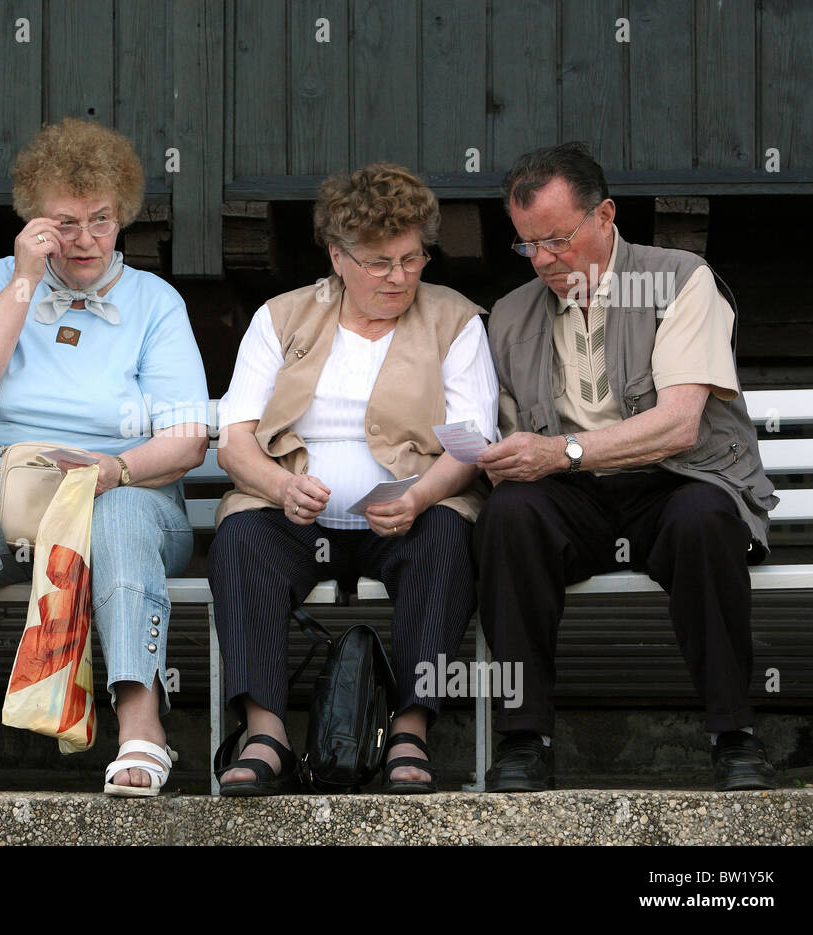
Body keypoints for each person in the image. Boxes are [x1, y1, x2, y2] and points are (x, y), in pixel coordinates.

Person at [0, 119, 209, 797]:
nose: (87, 239)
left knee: (122, 520)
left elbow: (186, 439)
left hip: (125, 489)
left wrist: (114, 468)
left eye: (102, 219)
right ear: (36, 222)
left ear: (122, 214)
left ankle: (140, 727)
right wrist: (24, 282)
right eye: (66, 223)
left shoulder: (155, 304)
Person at [475, 142, 778, 792]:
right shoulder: (507, 315)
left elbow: (679, 422)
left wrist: (560, 452)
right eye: (528, 245)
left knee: (704, 518)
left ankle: (734, 734)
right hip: (574, 496)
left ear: (605, 215)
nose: (546, 262)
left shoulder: (681, 279)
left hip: (677, 478)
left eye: (558, 239)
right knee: (508, 515)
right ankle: (524, 737)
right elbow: (506, 434)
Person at [208, 163, 498, 795]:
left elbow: (472, 444)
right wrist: (280, 488)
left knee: (448, 535)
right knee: (240, 538)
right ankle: (266, 733)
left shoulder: (454, 320)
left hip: (408, 513)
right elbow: (235, 442)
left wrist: (420, 494)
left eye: (411, 258)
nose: (399, 277)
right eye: (378, 262)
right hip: (292, 512)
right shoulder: (281, 318)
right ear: (337, 257)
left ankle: (410, 730)